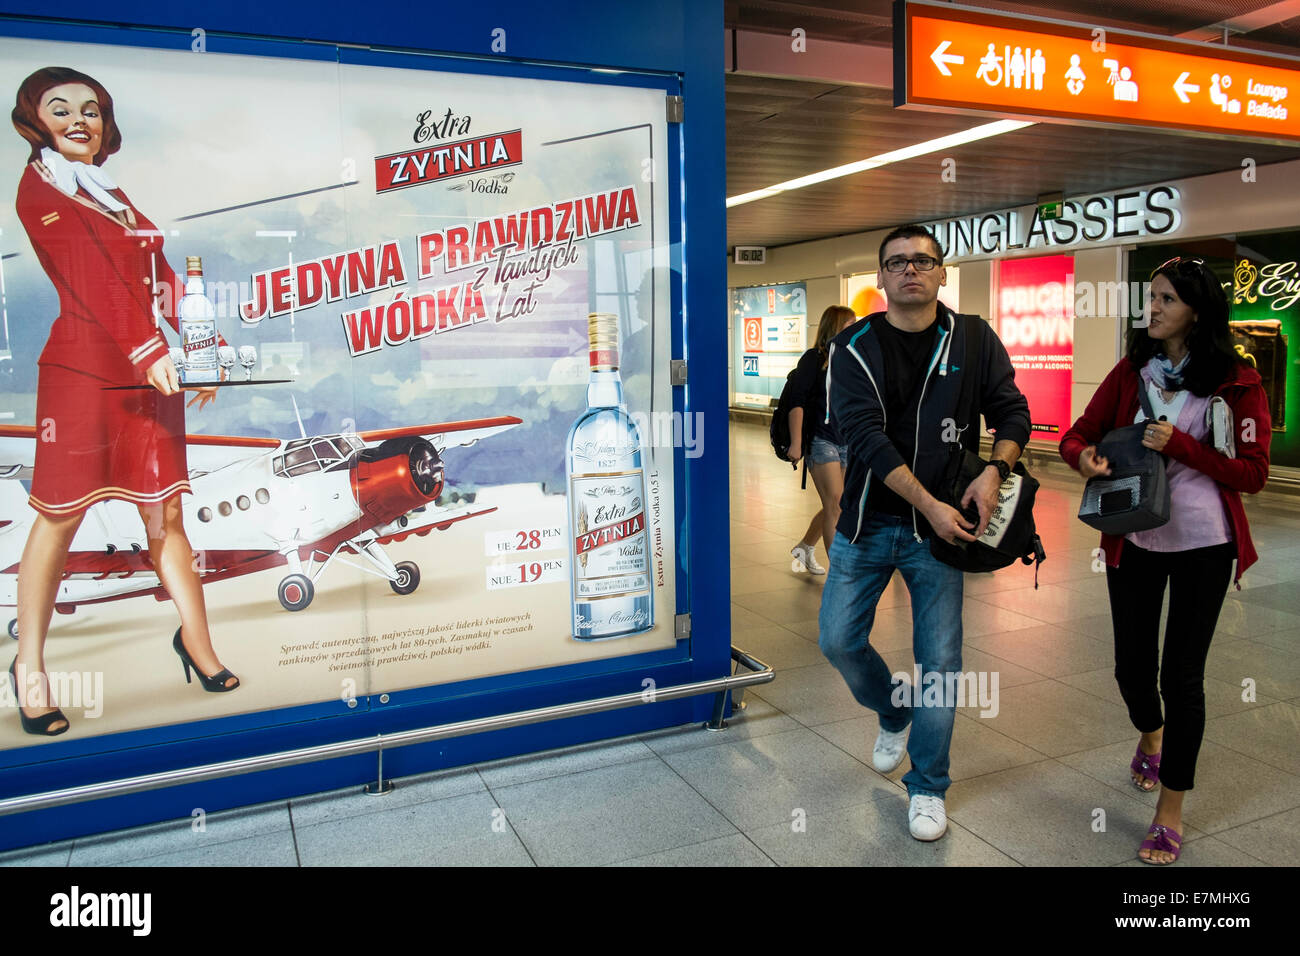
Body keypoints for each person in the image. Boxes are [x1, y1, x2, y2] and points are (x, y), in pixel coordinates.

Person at [9, 66, 239, 738]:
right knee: (59, 519)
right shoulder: (39, 189)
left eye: (92, 111)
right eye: (62, 110)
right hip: (84, 374)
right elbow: (92, 277)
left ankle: (197, 645)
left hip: (151, 374)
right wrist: (150, 348)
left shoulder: (110, 192)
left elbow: (157, 275)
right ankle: (30, 673)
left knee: (165, 514)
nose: (80, 121)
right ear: (35, 120)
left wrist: (206, 346)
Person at [819, 224, 1030, 841]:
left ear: (942, 273)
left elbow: (1012, 411)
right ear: (880, 278)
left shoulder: (972, 338)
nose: (910, 270)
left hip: (943, 538)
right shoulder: (852, 348)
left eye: (923, 261)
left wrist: (996, 470)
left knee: (939, 661)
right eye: (897, 262)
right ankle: (893, 709)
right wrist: (929, 503)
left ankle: (929, 786)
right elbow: (865, 439)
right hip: (867, 524)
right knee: (838, 640)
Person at [1060, 256, 1270, 864]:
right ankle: (1150, 734)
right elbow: (1078, 433)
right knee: (1131, 668)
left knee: (1184, 676)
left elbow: (1253, 474)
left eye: (1166, 300)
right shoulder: (1132, 372)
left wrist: (1182, 446)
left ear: (1197, 312)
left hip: (1205, 543)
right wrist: (1084, 459)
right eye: (1149, 297)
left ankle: (1170, 809)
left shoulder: (1237, 381)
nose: (1151, 309)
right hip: (1134, 538)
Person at [786, 304, 857, 575]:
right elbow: (797, 401)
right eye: (850, 324)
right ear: (836, 327)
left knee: (836, 503)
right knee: (836, 501)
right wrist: (795, 443)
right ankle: (841, 573)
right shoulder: (814, 359)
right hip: (821, 439)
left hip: (846, 440)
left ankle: (804, 547)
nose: (855, 328)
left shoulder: (852, 359)